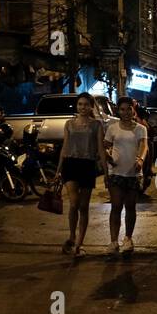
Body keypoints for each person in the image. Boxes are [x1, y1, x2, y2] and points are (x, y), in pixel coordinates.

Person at [56, 93, 107, 257]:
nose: (82, 107)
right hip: (70, 164)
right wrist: (58, 170)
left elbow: (100, 149)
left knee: (84, 206)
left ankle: (79, 243)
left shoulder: (96, 125)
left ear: (91, 106)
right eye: (80, 104)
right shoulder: (69, 124)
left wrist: (106, 172)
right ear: (76, 106)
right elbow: (64, 147)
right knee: (74, 204)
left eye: (86, 104)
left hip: (87, 165)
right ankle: (72, 236)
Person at [104, 97, 148, 256]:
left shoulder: (141, 129)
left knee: (130, 206)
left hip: (133, 173)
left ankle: (128, 239)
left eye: (128, 109)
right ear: (118, 111)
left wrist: (141, 160)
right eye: (122, 109)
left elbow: (144, 147)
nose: (126, 112)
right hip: (116, 172)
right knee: (116, 206)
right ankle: (113, 241)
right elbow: (106, 147)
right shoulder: (112, 128)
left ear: (133, 110)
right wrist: (108, 156)